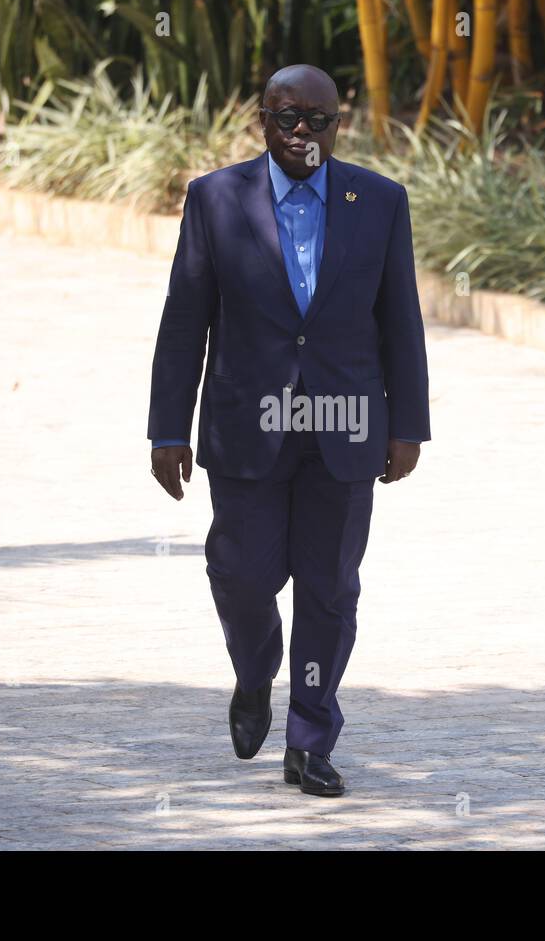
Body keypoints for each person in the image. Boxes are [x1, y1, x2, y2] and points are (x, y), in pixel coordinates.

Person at [146, 63, 431, 796]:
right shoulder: (215, 198)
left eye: (318, 120)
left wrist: (408, 425)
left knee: (329, 587)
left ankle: (310, 737)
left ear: (340, 124)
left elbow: (400, 319)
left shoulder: (380, 201)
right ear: (262, 119)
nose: (301, 131)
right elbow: (185, 321)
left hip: (344, 424)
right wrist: (166, 428)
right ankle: (254, 671)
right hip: (248, 423)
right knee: (240, 574)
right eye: (285, 117)